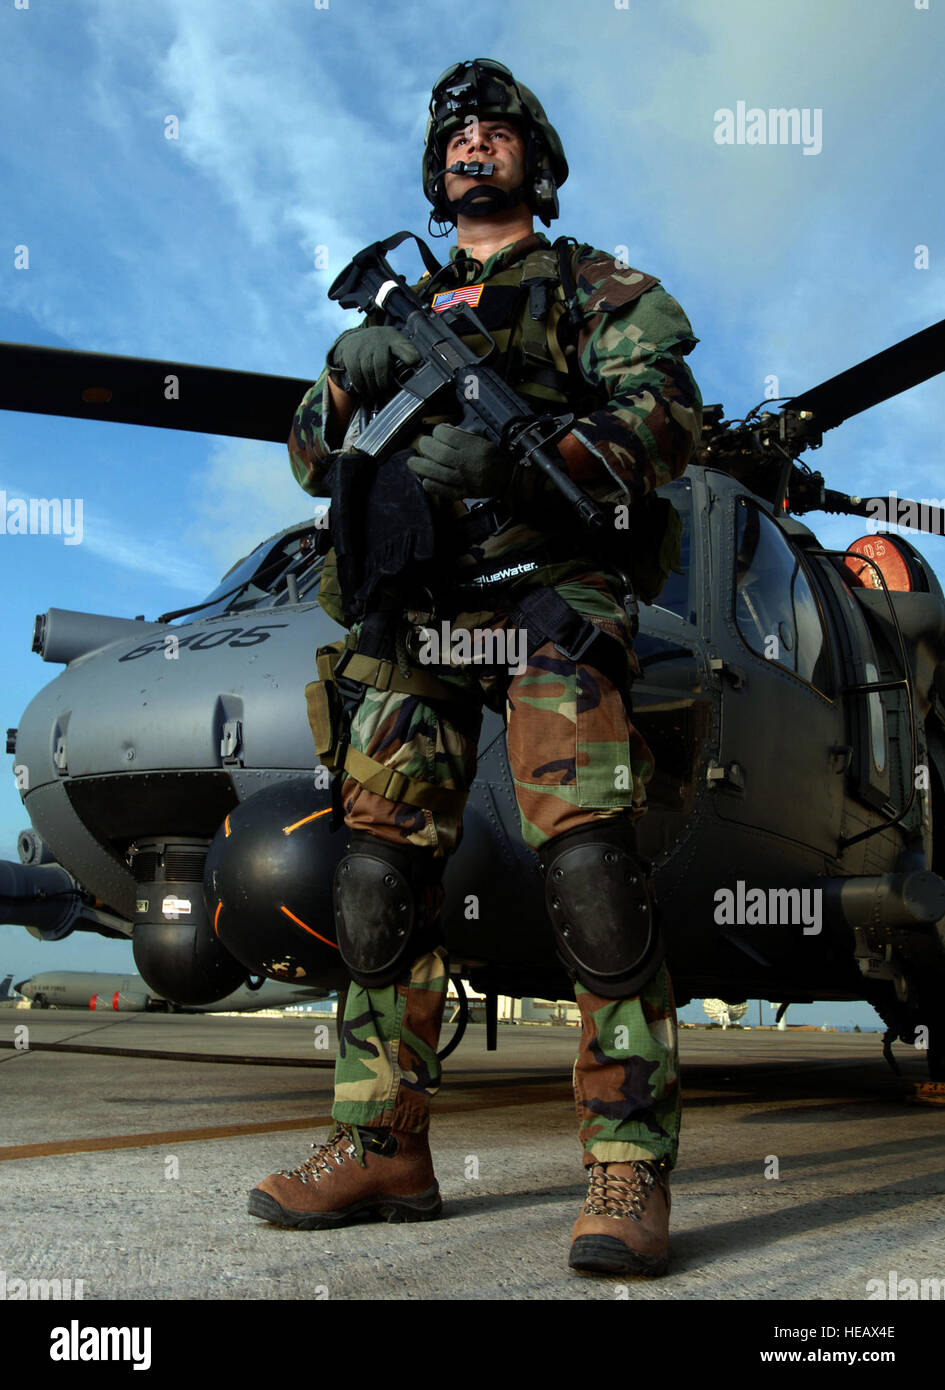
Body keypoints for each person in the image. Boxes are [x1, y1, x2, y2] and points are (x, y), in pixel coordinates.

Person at [249, 58, 702, 1277]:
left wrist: (526, 455)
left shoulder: (596, 285)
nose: (473, 144)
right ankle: (381, 1140)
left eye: (498, 131)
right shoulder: (390, 315)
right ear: (434, 172)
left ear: (534, 165)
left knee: (593, 869)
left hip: (548, 596)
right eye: (456, 134)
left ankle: (626, 1158)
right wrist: (356, 373)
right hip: (416, 614)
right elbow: (306, 452)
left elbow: (668, 417)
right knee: (373, 881)